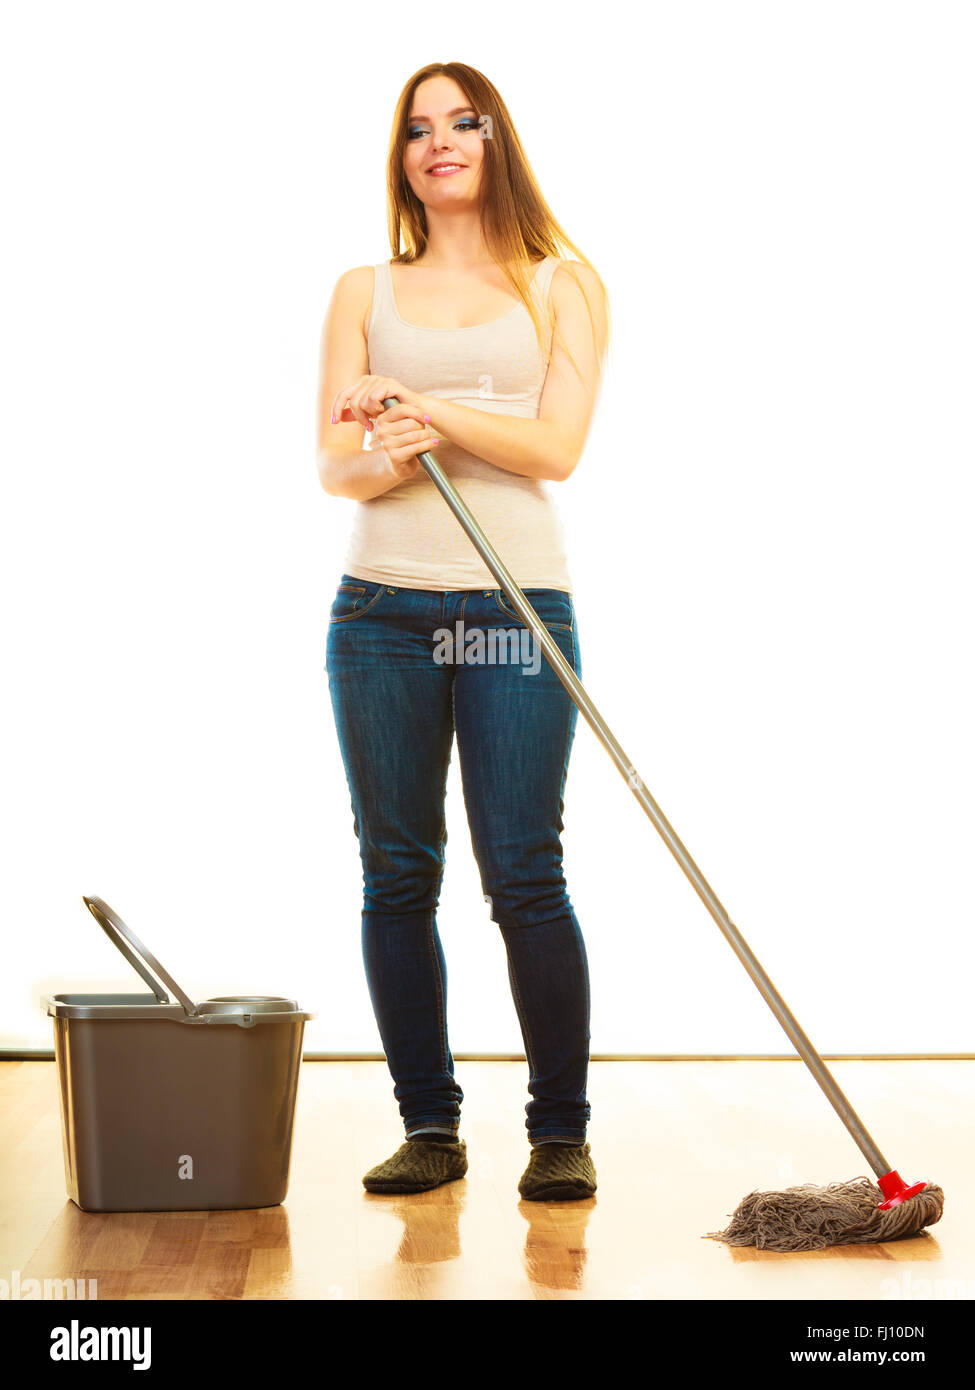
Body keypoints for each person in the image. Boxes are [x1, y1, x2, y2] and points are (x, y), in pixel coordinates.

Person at [316, 61, 609, 1201]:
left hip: (514, 611)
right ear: (402, 156)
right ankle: (429, 1128)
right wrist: (381, 448)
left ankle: (560, 1132)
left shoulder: (563, 284)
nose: (440, 140)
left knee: (525, 871)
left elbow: (556, 449)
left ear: (497, 140)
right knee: (397, 874)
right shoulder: (361, 291)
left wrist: (426, 407)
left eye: (463, 121)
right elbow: (336, 468)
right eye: (418, 128)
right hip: (383, 612)